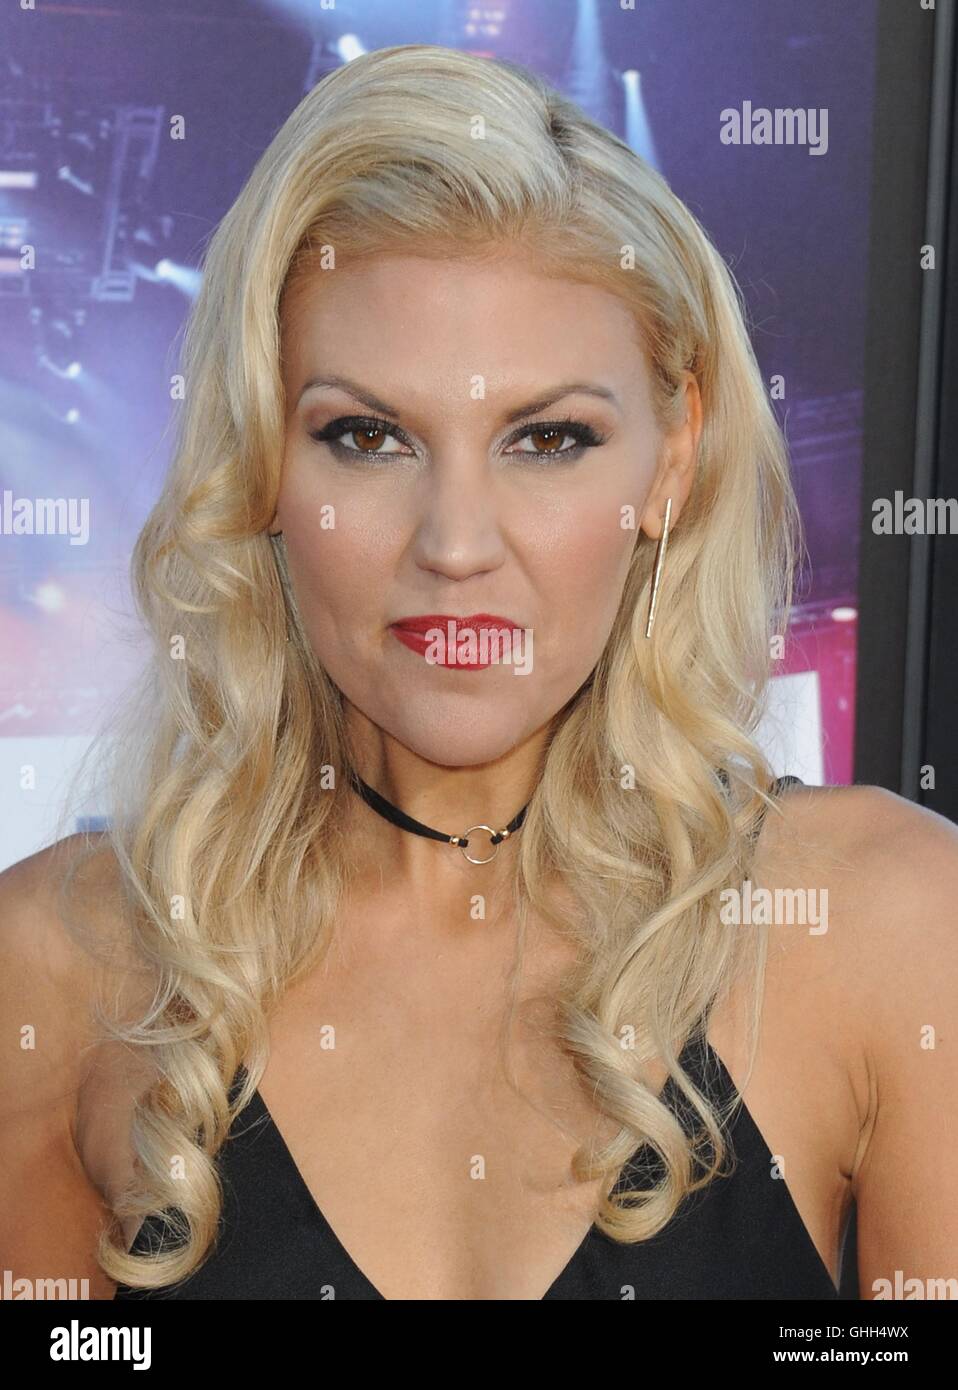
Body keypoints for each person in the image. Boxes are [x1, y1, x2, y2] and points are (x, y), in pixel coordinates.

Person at [1, 44, 956, 1303]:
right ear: (261, 467)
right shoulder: (63, 961)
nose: (455, 544)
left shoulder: (884, 922)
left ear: (671, 460)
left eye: (548, 438)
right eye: (367, 435)